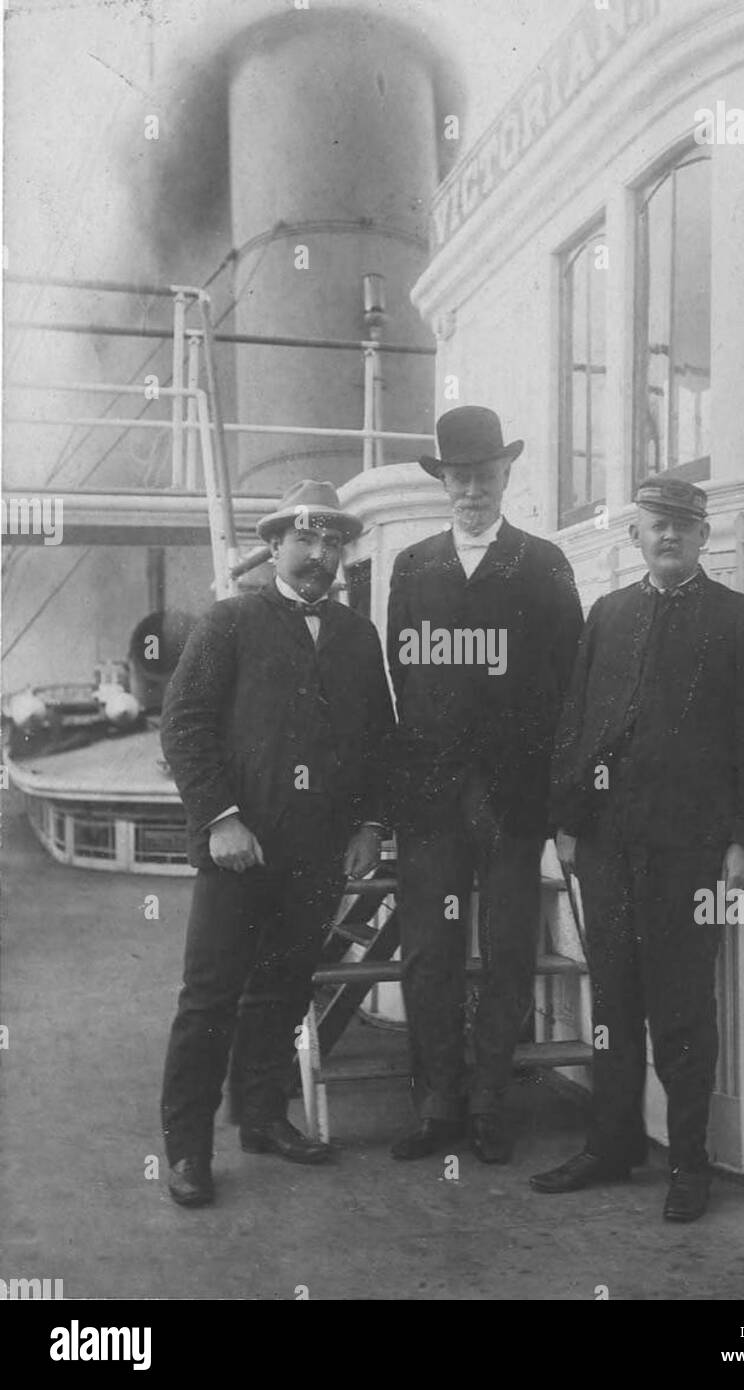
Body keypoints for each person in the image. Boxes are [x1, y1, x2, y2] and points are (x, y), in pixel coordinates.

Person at [531, 475, 744, 1221]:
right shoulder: (608, 616)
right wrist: (568, 821)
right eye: (656, 524)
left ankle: (689, 1166)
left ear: (704, 535)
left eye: (683, 523)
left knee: (682, 1010)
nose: (669, 535)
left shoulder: (740, 619)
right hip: (609, 849)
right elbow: (575, 723)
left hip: (693, 853)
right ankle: (611, 1147)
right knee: (614, 1000)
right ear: (635, 537)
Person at [160, 480, 394, 1207]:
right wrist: (221, 818)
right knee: (208, 999)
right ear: (274, 544)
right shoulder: (230, 621)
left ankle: (263, 1117)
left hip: (317, 850)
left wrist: (368, 824)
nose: (321, 553)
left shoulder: (358, 637)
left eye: (333, 541)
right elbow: (185, 725)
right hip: (238, 849)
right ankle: (188, 1150)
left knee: (285, 988)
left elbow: (376, 740)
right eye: (306, 538)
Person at [387, 406, 584, 1164]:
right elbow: (405, 675)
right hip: (432, 799)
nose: (472, 489)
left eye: (485, 475)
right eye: (460, 477)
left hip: (513, 798)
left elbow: (566, 687)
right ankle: (437, 1102)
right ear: (445, 482)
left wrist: (551, 790)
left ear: (506, 477)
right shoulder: (413, 567)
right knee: (428, 951)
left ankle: (490, 1103)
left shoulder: (543, 564)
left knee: (506, 950)